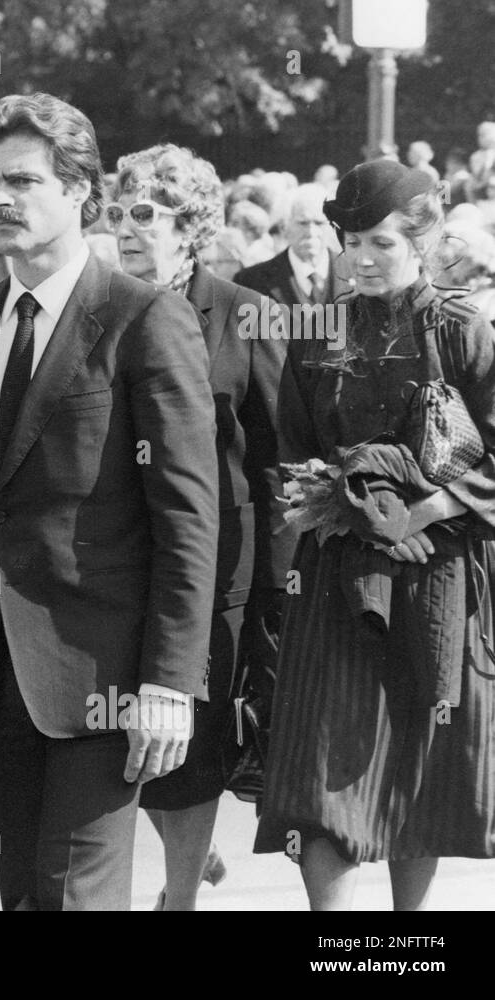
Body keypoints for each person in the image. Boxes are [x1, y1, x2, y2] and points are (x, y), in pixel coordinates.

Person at [0, 93, 220, 911]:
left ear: (80, 192)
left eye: (22, 181)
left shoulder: (145, 319)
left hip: (108, 678)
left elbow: (188, 516)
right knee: (25, 896)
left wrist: (170, 682)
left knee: (79, 902)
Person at [255, 160, 495, 909]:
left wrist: (423, 513)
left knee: (416, 776)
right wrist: (353, 511)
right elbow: (289, 454)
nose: (360, 257)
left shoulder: (462, 328)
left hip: (439, 575)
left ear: (423, 242)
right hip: (339, 577)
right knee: (319, 772)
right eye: (351, 239)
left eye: (382, 242)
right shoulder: (315, 331)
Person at [108, 143, 290, 909]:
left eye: (145, 214)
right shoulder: (100, 309)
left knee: (193, 734)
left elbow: (281, 460)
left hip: (217, 564)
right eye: (116, 212)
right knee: (118, 726)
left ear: (192, 227)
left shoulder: (249, 315)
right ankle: (190, 850)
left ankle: (178, 894)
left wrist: (282, 586)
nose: (126, 227)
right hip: (115, 554)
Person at [235, 184, 349, 307]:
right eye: (303, 223)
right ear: (284, 228)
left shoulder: (357, 273)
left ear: (333, 227)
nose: (311, 232)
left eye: (319, 223)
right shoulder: (251, 282)